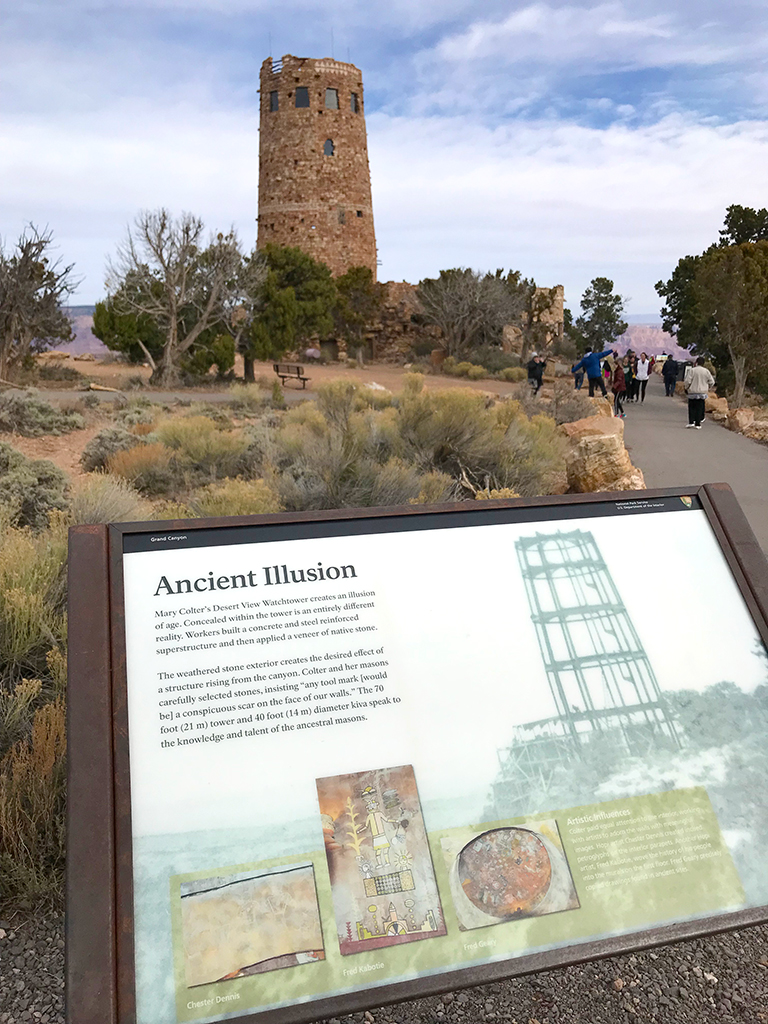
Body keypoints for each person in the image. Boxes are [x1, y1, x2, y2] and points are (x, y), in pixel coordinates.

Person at [684, 356, 715, 428]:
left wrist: (686, 388)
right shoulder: (706, 371)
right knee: (699, 408)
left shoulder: (692, 370)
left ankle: (691, 422)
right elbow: (712, 382)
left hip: (692, 392)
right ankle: (698, 424)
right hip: (702, 393)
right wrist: (707, 387)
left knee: (692, 407)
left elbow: (688, 381)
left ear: (696, 363)